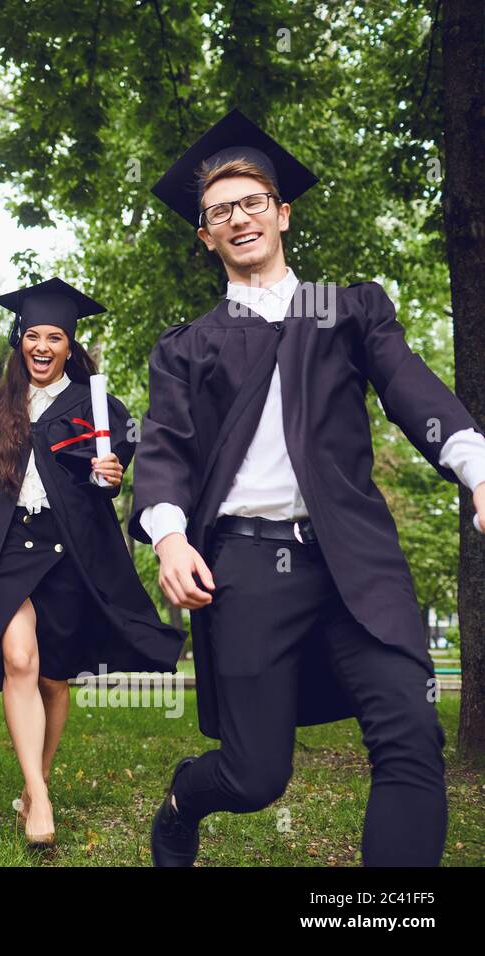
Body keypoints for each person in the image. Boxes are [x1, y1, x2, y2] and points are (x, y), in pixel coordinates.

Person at [135, 108, 485, 867]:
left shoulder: (348, 312)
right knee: (255, 776)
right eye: (220, 212)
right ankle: (185, 798)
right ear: (206, 236)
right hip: (246, 567)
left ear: (282, 213)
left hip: (355, 555)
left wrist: (475, 465)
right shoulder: (187, 348)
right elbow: (163, 448)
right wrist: (169, 535)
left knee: (410, 733)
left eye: (252, 202)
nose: (239, 218)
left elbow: (411, 388)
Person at [0, 277, 182, 850]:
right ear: (19, 340)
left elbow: (116, 465)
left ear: (69, 345)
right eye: (34, 335)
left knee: (53, 678)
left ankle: (38, 781)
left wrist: (112, 473)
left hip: (68, 548)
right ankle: (39, 794)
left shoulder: (97, 407)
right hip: (8, 543)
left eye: (55, 337)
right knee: (18, 658)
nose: (43, 346)